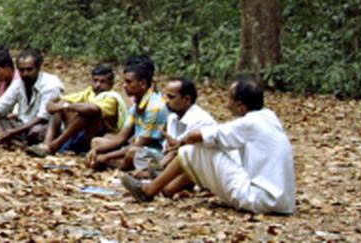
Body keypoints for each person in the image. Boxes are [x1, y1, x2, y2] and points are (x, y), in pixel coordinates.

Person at [121, 76, 296, 215]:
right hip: (281, 200)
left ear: (241, 106)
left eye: (230, 99)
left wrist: (181, 142)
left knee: (193, 148)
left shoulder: (250, 123)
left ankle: (149, 190)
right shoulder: (268, 117)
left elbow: (201, 135)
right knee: (202, 148)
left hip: (260, 199)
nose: (227, 104)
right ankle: (164, 185)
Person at [88, 56, 168, 170]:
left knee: (132, 152)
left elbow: (140, 144)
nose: (124, 86)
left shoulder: (155, 108)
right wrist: (96, 150)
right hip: (135, 146)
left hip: (152, 151)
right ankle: (113, 162)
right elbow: (121, 137)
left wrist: (106, 156)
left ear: (143, 84)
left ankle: (118, 166)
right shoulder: (136, 105)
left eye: (128, 82)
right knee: (97, 142)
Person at [30, 63, 127, 157]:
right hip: (80, 134)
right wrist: (60, 105)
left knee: (87, 114)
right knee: (60, 110)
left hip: (99, 137)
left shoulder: (111, 98)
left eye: (103, 82)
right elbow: (56, 101)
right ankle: (46, 144)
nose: (98, 85)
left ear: (111, 84)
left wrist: (66, 105)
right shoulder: (89, 92)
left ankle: (54, 146)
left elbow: (93, 109)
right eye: (95, 80)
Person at [132, 76, 216, 177]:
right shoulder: (172, 117)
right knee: (139, 154)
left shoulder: (200, 120)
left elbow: (184, 151)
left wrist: (169, 155)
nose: (166, 101)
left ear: (187, 99)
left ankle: (155, 176)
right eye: (166, 96)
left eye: (171, 97)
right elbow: (169, 148)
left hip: (192, 163)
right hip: (170, 159)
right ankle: (157, 174)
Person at [0, 48, 63, 146]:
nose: (25, 74)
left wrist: (12, 132)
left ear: (38, 68)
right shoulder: (18, 84)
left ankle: (16, 142)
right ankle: (15, 142)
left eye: (29, 69)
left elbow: (42, 118)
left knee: (36, 132)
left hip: (43, 126)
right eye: (21, 70)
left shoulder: (50, 84)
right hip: (22, 125)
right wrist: (0, 133)